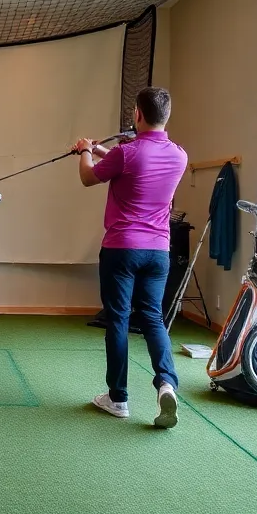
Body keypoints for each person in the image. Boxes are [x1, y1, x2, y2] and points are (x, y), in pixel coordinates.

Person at [73, 87, 188, 428]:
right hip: (158, 252)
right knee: (153, 317)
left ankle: (118, 398)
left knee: (119, 320)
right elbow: (130, 164)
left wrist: (83, 151)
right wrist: (100, 150)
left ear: (137, 114)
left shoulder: (127, 153)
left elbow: (88, 177)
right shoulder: (179, 155)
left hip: (122, 249)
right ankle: (166, 383)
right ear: (165, 117)